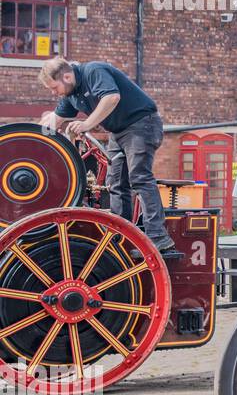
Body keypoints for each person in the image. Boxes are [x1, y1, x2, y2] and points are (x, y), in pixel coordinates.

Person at [38, 57, 181, 258]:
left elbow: (111, 98)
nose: (54, 93)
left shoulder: (94, 71)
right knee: (115, 183)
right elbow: (54, 120)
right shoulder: (71, 94)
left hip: (141, 124)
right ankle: (120, 236)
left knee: (139, 178)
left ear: (67, 76)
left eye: (55, 87)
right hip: (118, 131)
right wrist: (35, 140)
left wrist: (86, 124)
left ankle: (159, 238)